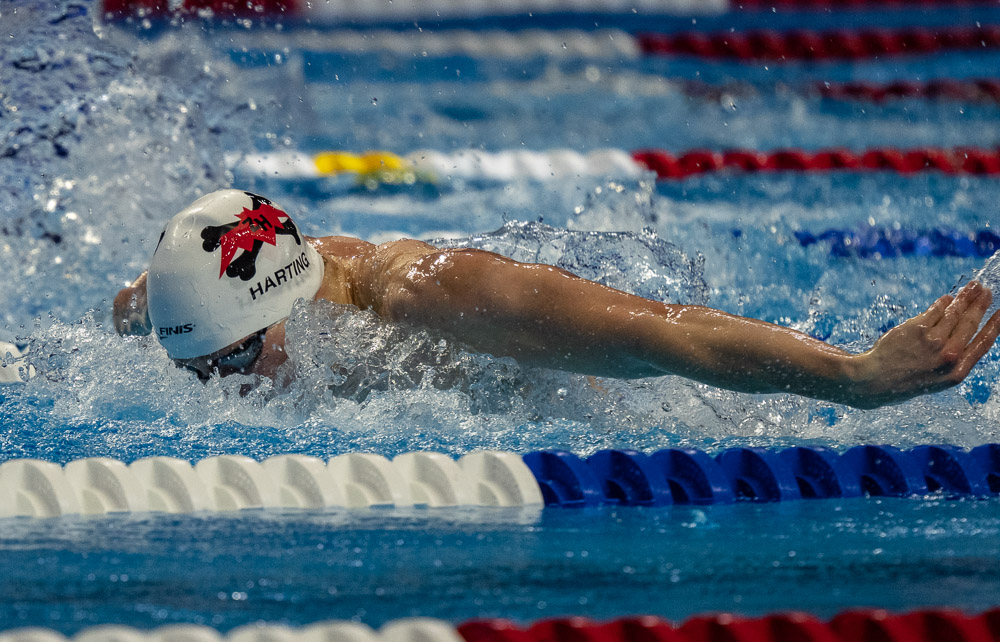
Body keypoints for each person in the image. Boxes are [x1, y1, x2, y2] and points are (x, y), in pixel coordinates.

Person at [114, 189, 1000, 410]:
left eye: (229, 363)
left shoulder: (429, 298)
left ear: (288, 306)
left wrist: (852, 376)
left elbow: (663, 335)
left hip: (606, 379)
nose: (216, 392)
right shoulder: (195, 295)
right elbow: (138, 301)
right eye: (190, 369)